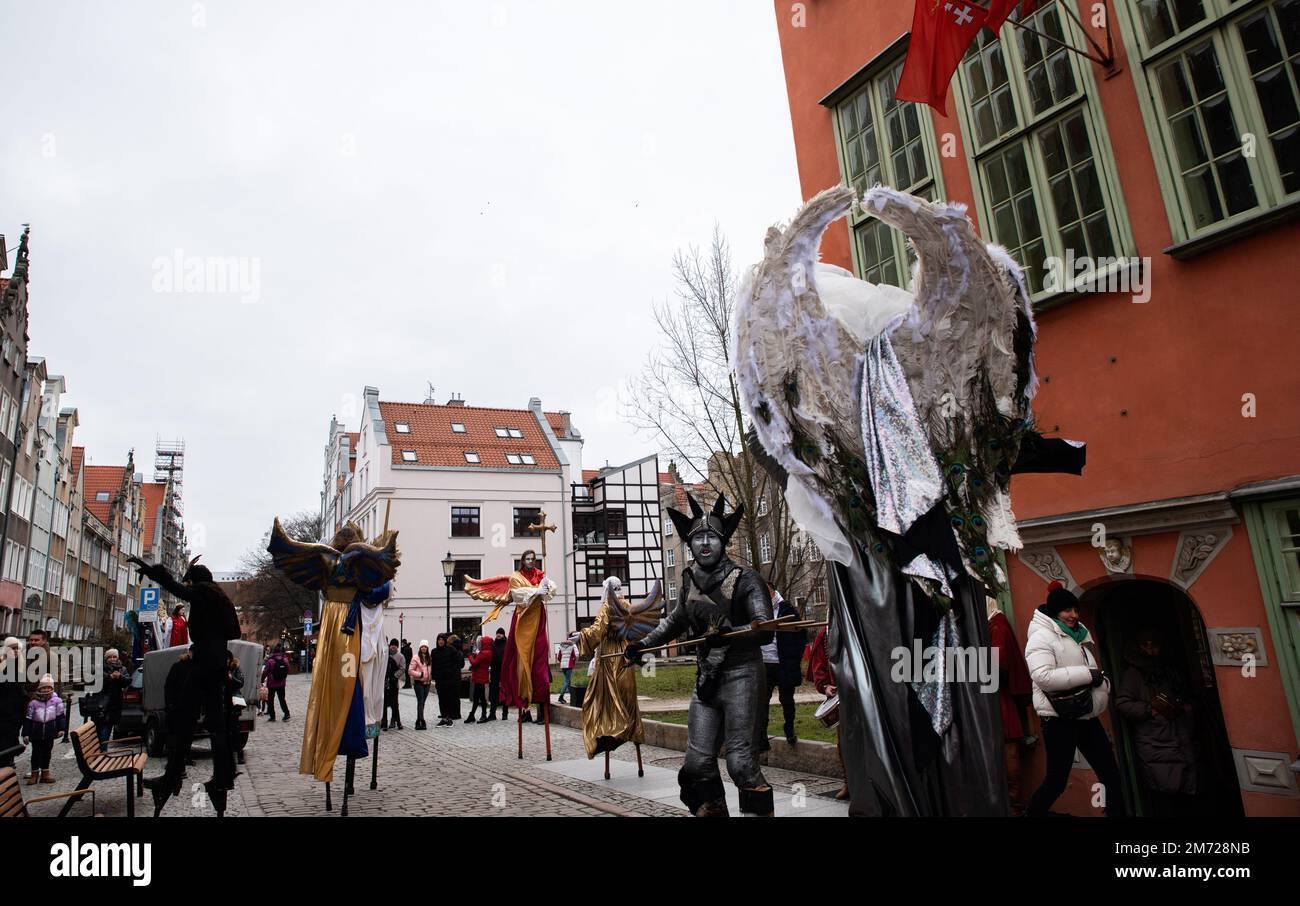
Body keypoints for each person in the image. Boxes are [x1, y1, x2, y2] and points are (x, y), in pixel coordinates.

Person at [626, 494, 776, 817]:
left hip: (742, 674)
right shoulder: (689, 581)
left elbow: (765, 628)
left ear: (723, 541)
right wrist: (642, 644)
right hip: (706, 677)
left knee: (740, 763)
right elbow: (675, 621)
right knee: (697, 762)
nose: (705, 544)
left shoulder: (746, 580)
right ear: (689, 544)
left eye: (711, 537)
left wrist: (742, 629)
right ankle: (714, 810)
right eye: (698, 538)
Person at [129, 554, 243, 816]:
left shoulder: (203, 592)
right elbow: (234, 632)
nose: (189, 588)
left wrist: (153, 572)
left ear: (196, 581)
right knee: (216, 725)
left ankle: (172, 779)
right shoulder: (221, 597)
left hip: (202, 663)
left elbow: (177, 589)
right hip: (216, 665)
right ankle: (221, 780)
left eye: (191, 583)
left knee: (184, 719)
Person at [1024, 582, 1126, 818]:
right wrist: (1088, 676)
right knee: (1057, 781)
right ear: (1054, 611)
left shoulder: (1076, 635)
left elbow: (1089, 672)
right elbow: (1042, 676)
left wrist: (1101, 682)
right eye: (1067, 610)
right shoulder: (1041, 637)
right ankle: (1032, 814)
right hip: (1058, 718)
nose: (1073, 615)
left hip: (1085, 715)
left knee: (1110, 773)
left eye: (1075, 610)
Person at [575, 577, 662, 763]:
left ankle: (610, 735)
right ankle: (632, 733)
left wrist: (580, 636)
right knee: (628, 700)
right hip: (625, 658)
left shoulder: (608, 607)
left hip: (608, 660)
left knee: (600, 702)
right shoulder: (628, 607)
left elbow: (597, 632)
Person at [1115, 630, 1199, 815]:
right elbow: (1123, 703)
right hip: (1155, 741)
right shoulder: (1134, 674)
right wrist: (1151, 711)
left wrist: (1185, 708)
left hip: (1179, 735)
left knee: (1185, 792)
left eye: (1154, 645)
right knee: (1165, 796)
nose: (1150, 650)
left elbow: (1185, 695)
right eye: (1146, 645)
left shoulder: (1169, 670)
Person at [987, 598, 1034, 813]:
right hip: (992, 703)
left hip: (999, 704)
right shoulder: (993, 625)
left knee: (1009, 766)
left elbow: (998, 665)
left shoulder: (996, 626)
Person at [756, 587, 801, 752]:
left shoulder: (787, 609)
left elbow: (800, 636)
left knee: (787, 700)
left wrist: (793, 657)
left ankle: (789, 729)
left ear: (773, 593)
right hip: (764, 664)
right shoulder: (758, 611)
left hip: (783, 664)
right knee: (762, 702)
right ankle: (762, 736)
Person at [808, 626, 849, 801]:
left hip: (868, 696)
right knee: (845, 743)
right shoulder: (825, 635)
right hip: (843, 699)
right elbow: (819, 668)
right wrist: (825, 686)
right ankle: (849, 783)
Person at [22, 674, 65, 784]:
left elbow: (60, 716)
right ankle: (34, 773)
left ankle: (45, 772)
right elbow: (28, 719)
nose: (46, 689)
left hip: (50, 732)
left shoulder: (57, 701)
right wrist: (25, 733)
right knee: (35, 753)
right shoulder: (33, 703)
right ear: (40, 688)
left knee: (47, 753)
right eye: (44, 687)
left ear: (52, 689)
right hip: (36, 732)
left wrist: (62, 728)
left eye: (49, 687)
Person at [0, 637, 27, 767]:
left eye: (17, 648)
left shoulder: (20, 665)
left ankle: (9, 763)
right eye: (12, 648)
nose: (15, 651)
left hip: (15, 713)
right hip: (4, 712)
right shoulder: (2, 664)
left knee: (11, 741)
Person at [97, 648, 131, 745]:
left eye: (114, 656)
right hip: (101, 702)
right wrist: (109, 677)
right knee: (102, 727)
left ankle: (103, 750)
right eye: (110, 657)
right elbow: (96, 681)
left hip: (115, 703)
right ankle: (103, 751)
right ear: (106, 658)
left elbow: (128, 681)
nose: (112, 659)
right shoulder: (101, 668)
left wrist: (120, 677)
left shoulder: (122, 669)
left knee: (108, 727)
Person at [430, 633, 464, 727]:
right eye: (439, 639)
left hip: (449, 679)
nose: (440, 641)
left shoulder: (451, 650)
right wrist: (434, 676)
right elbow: (433, 665)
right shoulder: (434, 651)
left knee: (449, 699)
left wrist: (451, 672)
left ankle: (449, 718)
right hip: (440, 680)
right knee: (441, 700)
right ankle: (444, 717)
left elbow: (458, 662)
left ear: (445, 641)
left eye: (442, 639)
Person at [261, 643, 291, 721]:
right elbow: (288, 669)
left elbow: (265, 672)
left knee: (270, 700)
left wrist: (262, 679)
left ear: (273, 652)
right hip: (281, 683)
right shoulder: (284, 659)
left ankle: (272, 716)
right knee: (282, 699)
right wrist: (283, 677)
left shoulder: (270, 661)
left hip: (272, 684)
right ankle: (287, 713)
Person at [465, 636, 492, 723]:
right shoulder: (487, 652)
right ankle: (472, 714)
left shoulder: (484, 653)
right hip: (481, 676)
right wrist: (473, 654)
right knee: (477, 696)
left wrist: (469, 656)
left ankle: (483, 715)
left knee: (480, 697)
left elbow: (474, 662)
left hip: (479, 677)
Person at [408, 640, 433, 729]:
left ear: (427, 648)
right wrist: (420, 674)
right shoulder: (416, 657)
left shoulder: (429, 657)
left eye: (425, 647)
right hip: (419, 682)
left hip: (427, 683)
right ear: (420, 647)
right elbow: (410, 670)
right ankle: (420, 721)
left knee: (423, 702)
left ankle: (420, 720)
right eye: (422, 646)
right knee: (420, 702)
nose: (424, 648)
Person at [382, 639, 405, 730]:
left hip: (394, 683)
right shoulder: (385, 655)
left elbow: (403, 668)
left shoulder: (400, 657)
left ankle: (396, 721)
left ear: (397, 646)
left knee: (394, 703)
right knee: (384, 703)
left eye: (395, 645)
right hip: (384, 682)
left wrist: (395, 676)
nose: (393, 647)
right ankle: (384, 721)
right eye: (392, 645)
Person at [487, 628, 507, 721]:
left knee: (504, 691)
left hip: (504, 670)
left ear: (503, 634)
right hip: (495, 670)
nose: (498, 635)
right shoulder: (493, 644)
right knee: (493, 692)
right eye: (497, 633)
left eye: (500, 633)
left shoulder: (506, 644)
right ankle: (492, 713)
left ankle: (505, 713)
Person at [555, 633, 578, 705]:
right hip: (569, 665)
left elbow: (559, 657)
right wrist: (573, 662)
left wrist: (562, 662)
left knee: (568, 681)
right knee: (567, 681)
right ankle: (561, 696)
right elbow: (574, 656)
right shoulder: (572, 646)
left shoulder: (561, 646)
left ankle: (572, 697)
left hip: (563, 666)